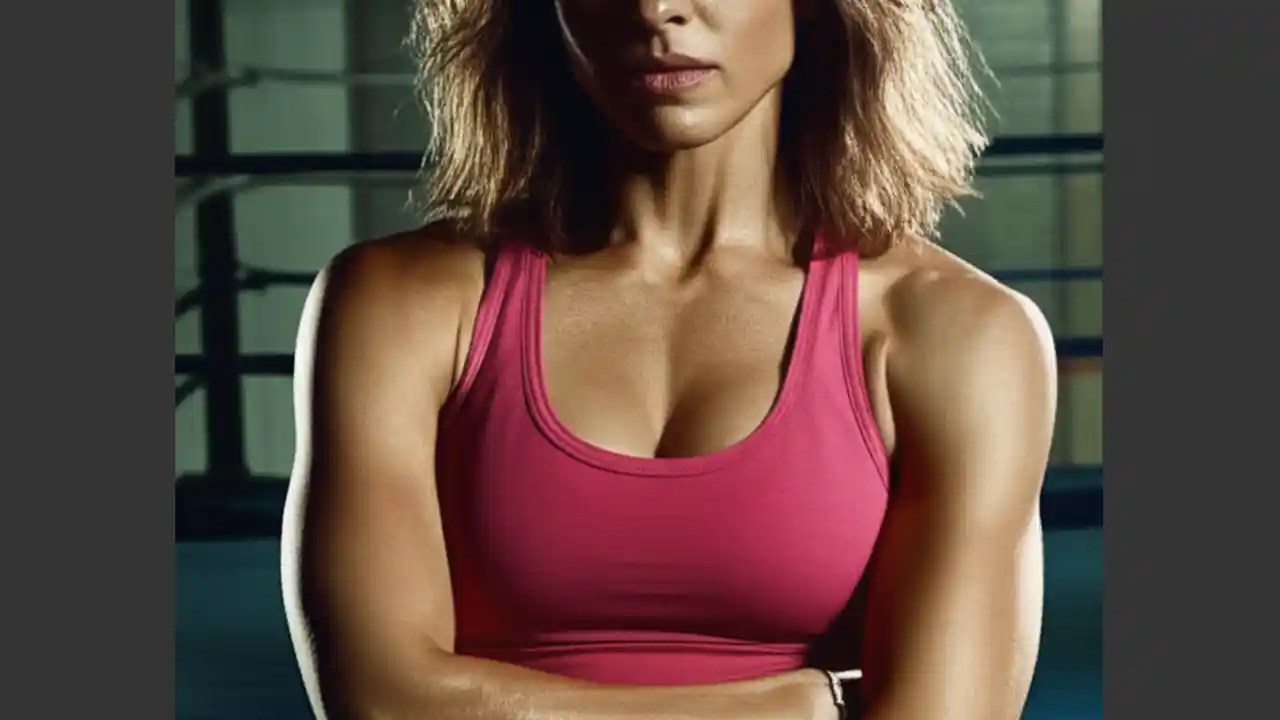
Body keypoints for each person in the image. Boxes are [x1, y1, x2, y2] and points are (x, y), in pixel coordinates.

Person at [281, 1, 1056, 718]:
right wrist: (794, 706)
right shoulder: (396, 302)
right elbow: (379, 702)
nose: (657, 8)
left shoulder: (956, 332)